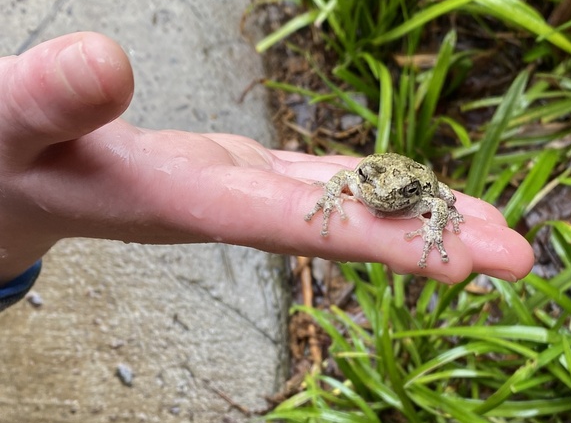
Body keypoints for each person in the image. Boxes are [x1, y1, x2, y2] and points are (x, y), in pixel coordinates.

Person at [0, 32, 534, 310]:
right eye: (374, 188)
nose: (382, 200)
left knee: (443, 209)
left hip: (408, 176)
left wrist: (435, 220)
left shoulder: (414, 191)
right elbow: (346, 177)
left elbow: (439, 198)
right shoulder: (364, 179)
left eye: (397, 194)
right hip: (381, 167)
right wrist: (333, 194)